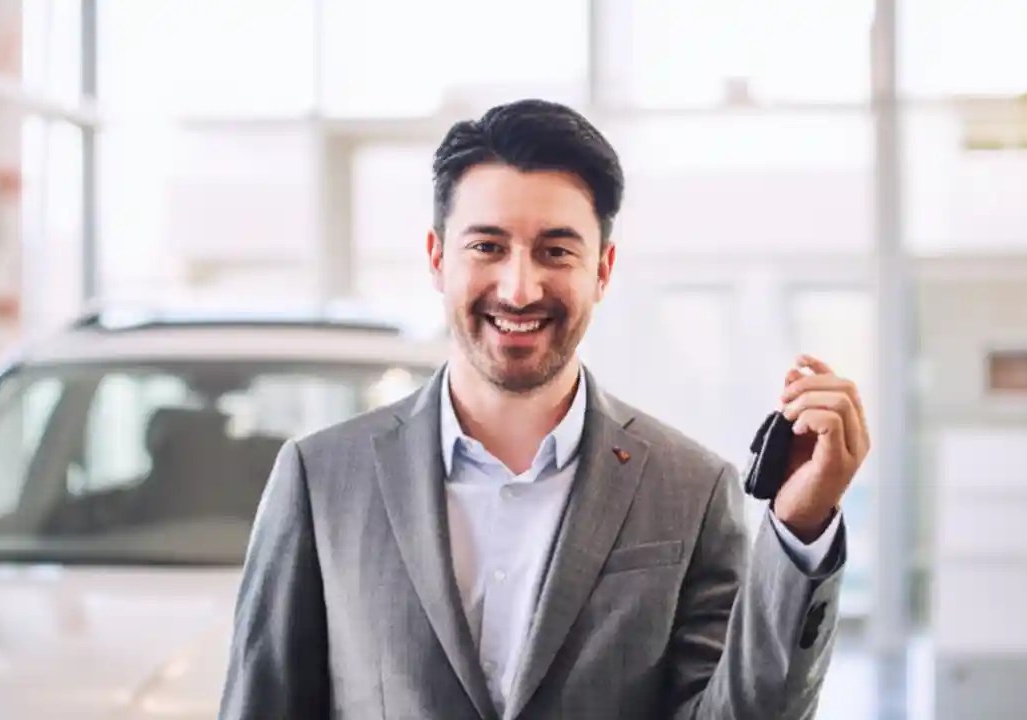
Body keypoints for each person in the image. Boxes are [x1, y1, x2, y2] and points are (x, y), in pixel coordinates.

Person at [218, 99, 871, 720]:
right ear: (438, 259)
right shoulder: (322, 479)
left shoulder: (691, 491)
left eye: (556, 251)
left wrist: (801, 523)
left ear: (603, 270)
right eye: (488, 247)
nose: (520, 287)